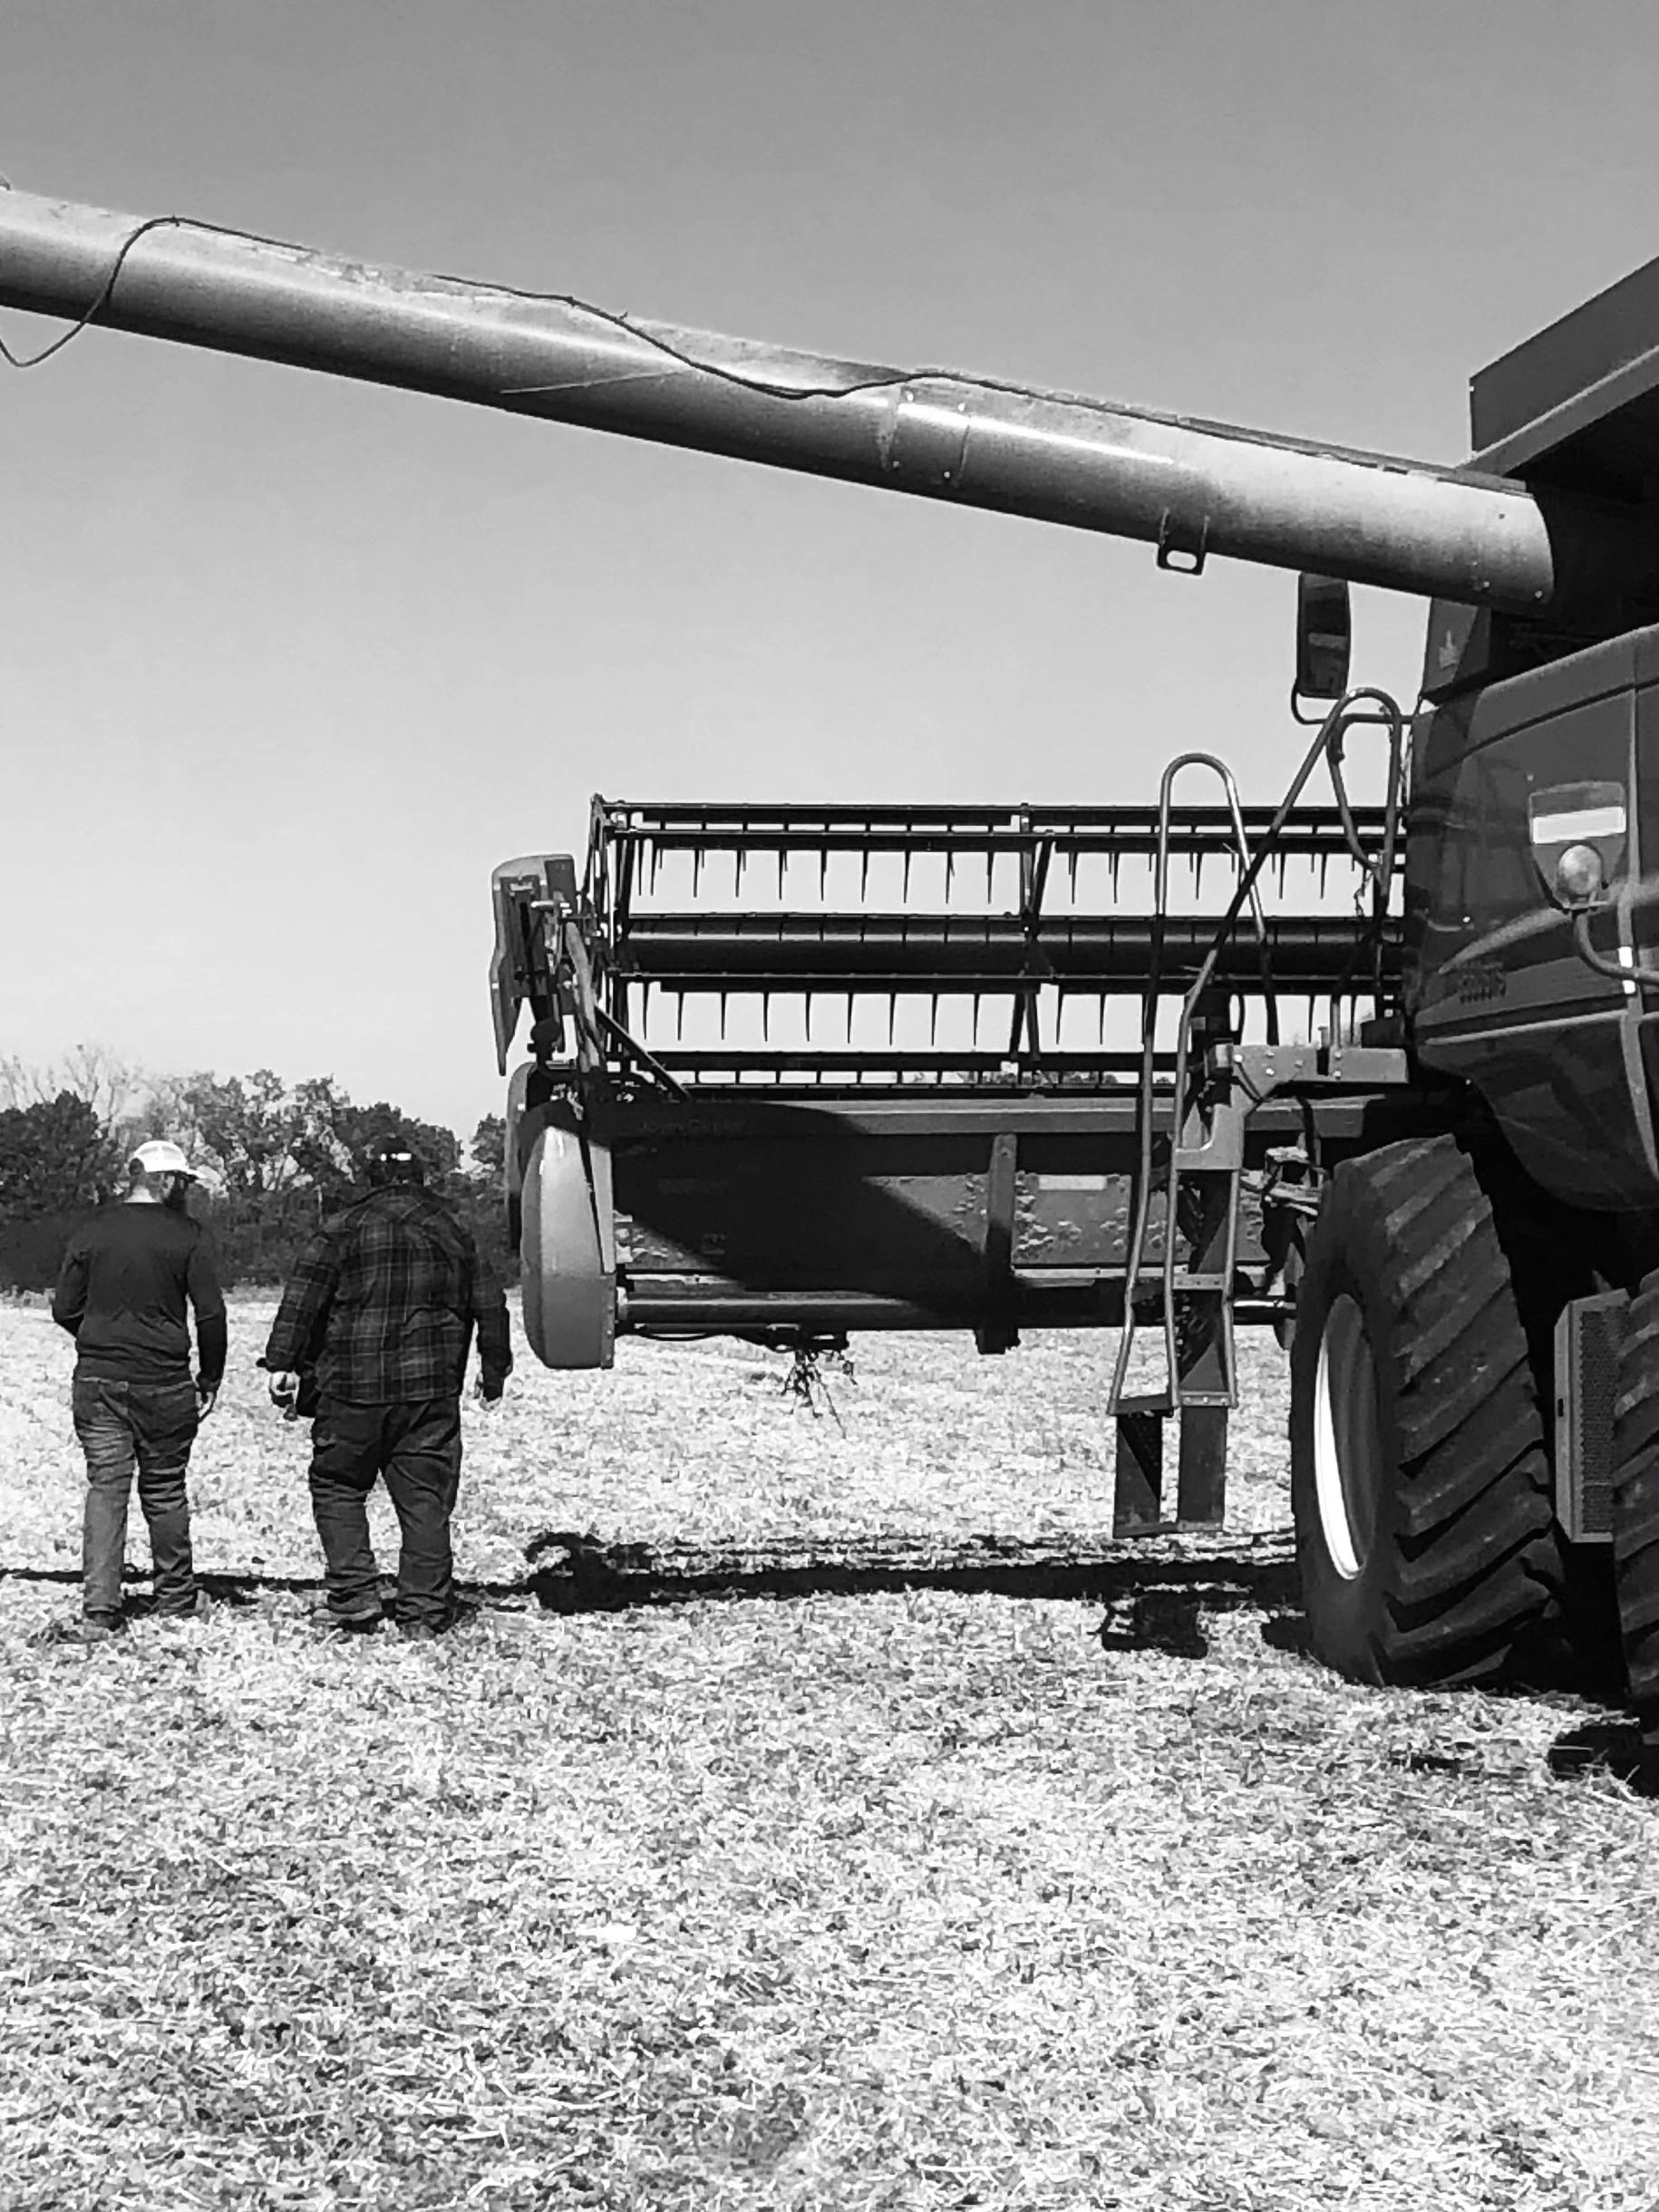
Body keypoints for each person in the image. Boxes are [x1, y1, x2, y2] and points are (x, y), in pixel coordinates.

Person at [261, 1135, 511, 1640]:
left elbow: (303, 1298)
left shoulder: (343, 1228)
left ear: (369, 1180)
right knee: (424, 1500)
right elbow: (490, 1303)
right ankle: (423, 1613)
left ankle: (354, 1599)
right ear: (420, 1178)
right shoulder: (454, 1229)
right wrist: (493, 1367)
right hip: (429, 1391)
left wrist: (283, 1363)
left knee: (337, 1486)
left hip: (351, 1388)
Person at [51, 1138, 227, 1639]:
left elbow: (65, 1308)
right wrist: (209, 1377)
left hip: (99, 1379)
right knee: (165, 1487)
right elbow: (211, 1313)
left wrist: (99, 1338)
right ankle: (176, 1596)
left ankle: (101, 1608)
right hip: (165, 1381)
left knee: (106, 1487)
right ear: (166, 1180)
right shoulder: (187, 1235)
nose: (186, 1190)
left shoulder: (92, 1230)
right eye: (184, 1182)